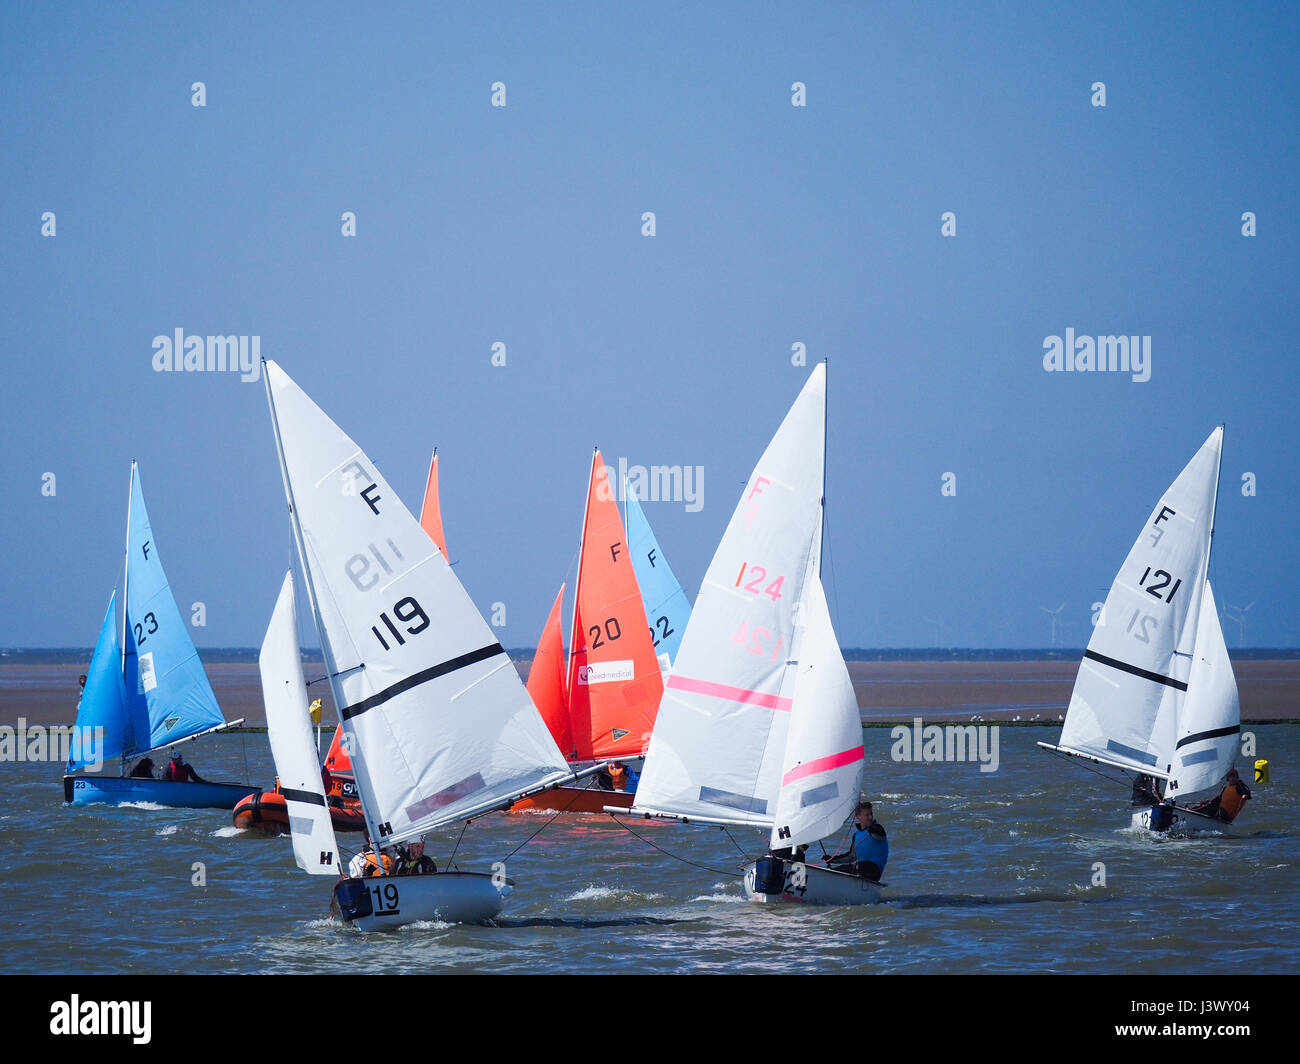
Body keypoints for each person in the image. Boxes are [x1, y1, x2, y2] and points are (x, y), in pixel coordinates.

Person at [825, 801, 888, 881]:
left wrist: (872, 827)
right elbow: (851, 856)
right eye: (867, 815)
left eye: (871, 814)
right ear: (858, 816)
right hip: (860, 870)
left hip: (874, 871)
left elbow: (880, 833)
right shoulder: (857, 835)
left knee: (857, 865)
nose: (870, 817)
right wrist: (832, 859)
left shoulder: (877, 830)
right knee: (835, 872)